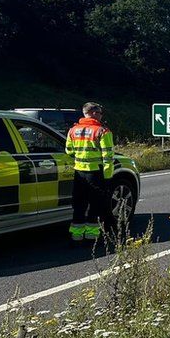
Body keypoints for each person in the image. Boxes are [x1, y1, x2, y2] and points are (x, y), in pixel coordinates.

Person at [65, 102, 114, 242]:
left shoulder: (73, 130)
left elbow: (69, 151)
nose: (101, 116)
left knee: (79, 205)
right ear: (93, 113)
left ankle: (76, 236)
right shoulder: (102, 131)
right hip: (96, 173)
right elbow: (108, 156)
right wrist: (108, 176)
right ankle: (92, 237)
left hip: (79, 172)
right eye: (99, 113)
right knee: (95, 205)